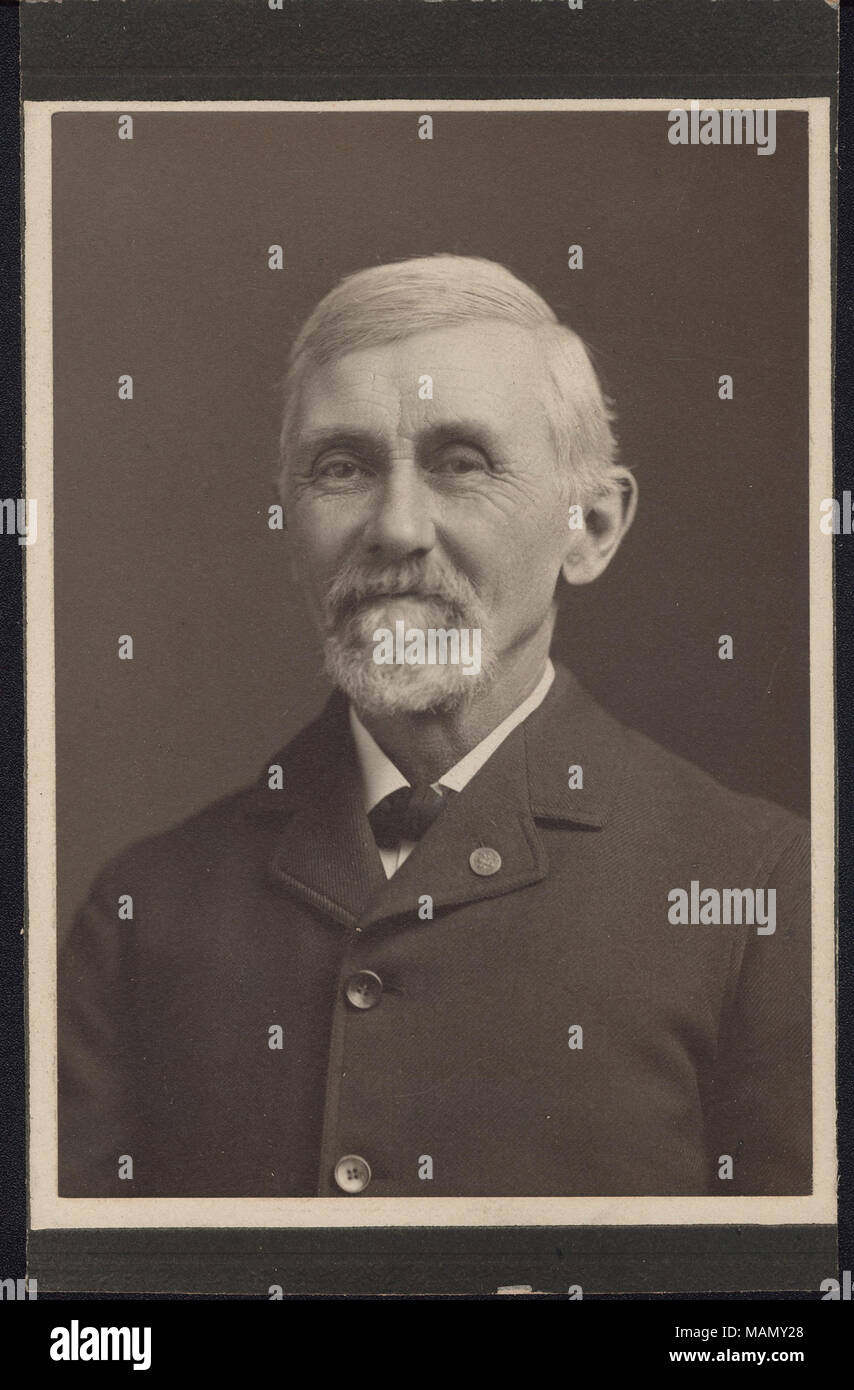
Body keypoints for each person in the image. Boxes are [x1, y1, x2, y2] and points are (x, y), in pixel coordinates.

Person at [59, 255, 811, 1199]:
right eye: (343, 467)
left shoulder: (767, 893)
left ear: (592, 528)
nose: (396, 528)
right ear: (290, 518)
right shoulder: (144, 910)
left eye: (461, 465)